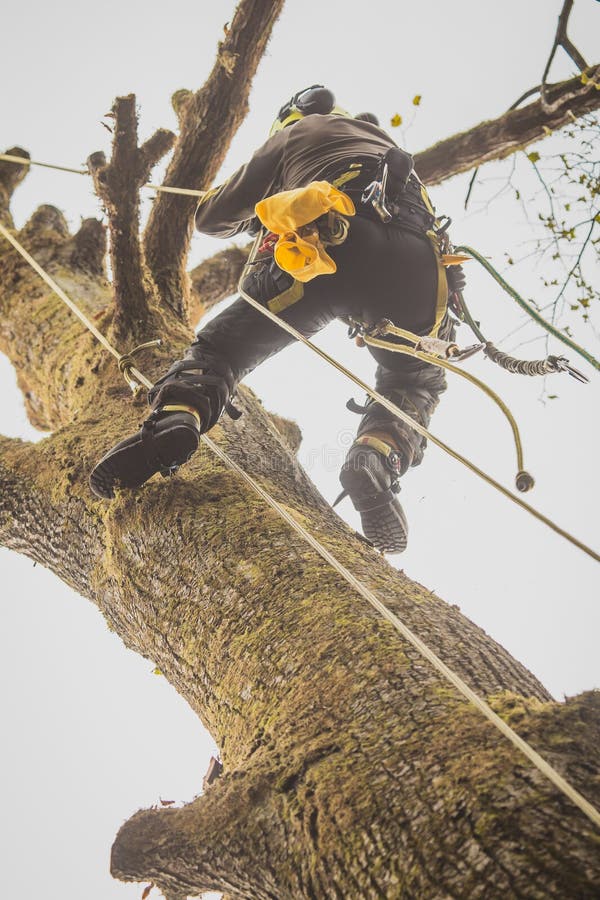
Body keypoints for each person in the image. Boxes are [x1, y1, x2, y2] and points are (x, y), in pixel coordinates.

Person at [90, 86, 465, 554]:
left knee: (220, 351)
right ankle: (376, 454)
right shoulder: (381, 146)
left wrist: (255, 214)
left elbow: (210, 216)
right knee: (414, 383)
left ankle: (176, 417)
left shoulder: (298, 130)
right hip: (418, 266)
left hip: (327, 247)